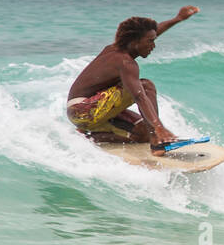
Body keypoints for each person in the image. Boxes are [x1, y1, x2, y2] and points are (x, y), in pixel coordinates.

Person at [66, 9, 199, 154]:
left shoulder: (119, 47)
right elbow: (139, 96)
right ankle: (157, 142)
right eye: (150, 42)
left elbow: (152, 32)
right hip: (81, 110)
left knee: (143, 133)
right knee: (146, 86)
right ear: (135, 42)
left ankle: (88, 135)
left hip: (91, 110)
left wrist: (178, 18)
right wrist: (158, 127)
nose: (153, 46)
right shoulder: (125, 62)